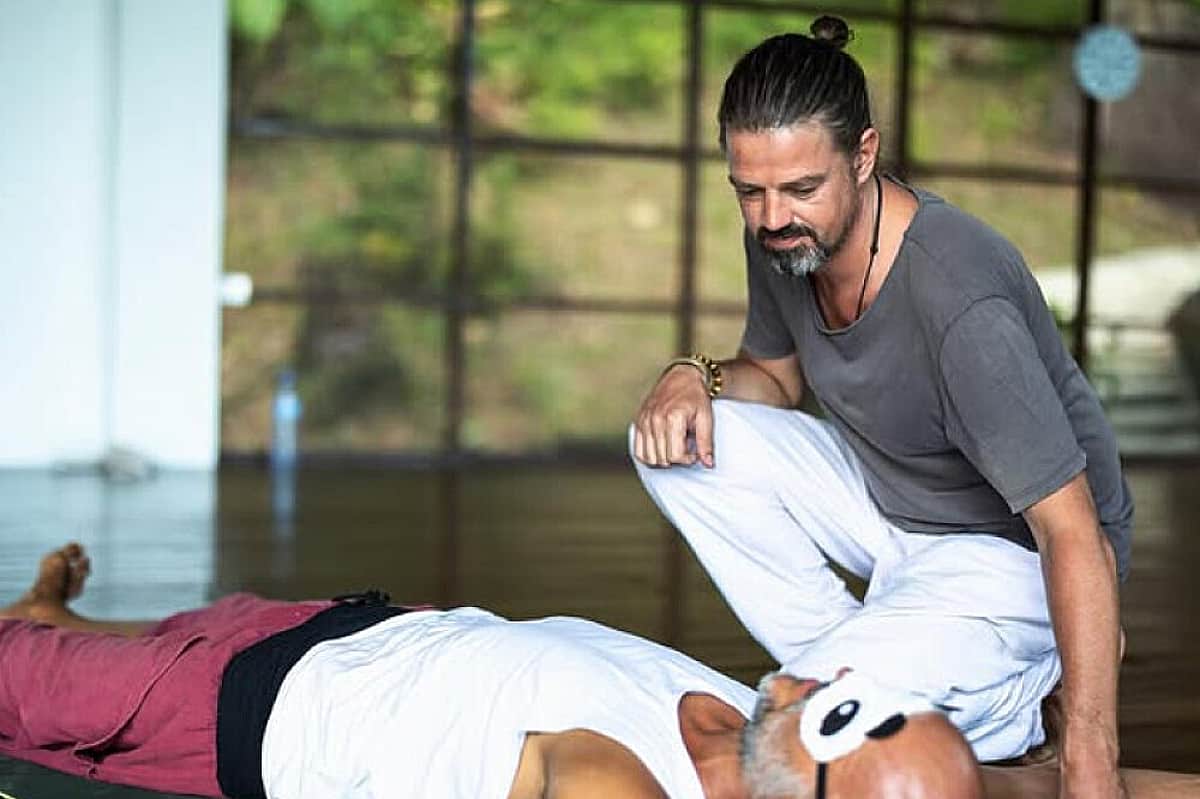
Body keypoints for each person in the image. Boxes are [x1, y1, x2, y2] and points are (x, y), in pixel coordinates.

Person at [631, 16, 1134, 799]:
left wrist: (1091, 757)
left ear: (864, 156)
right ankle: (877, 660)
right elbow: (772, 375)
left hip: (1012, 557)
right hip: (891, 504)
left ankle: (1006, 696)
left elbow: (1075, 532)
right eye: (748, 190)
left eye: (800, 188)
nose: (770, 216)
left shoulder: (960, 303)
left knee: (796, 730)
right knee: (674, 440)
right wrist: (692, 374)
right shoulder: (789, 235)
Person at [0, 543, 983, 799]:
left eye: (837, 716)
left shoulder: (620, 787)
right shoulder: (749, 722)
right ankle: (57, 615)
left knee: (21, 678)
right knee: (153, 631)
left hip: (250, 716)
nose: (814, 680)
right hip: (358, 629)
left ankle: (37, 633)